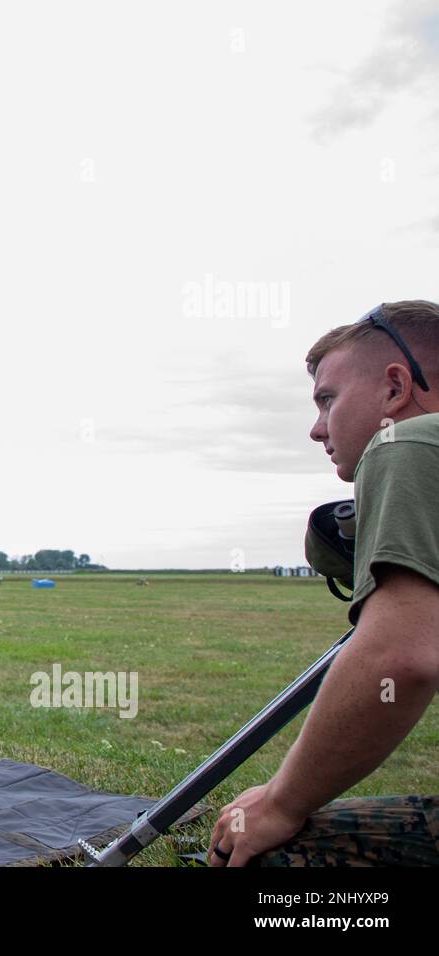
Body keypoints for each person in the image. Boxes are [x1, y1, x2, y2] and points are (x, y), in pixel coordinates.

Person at [210, 300, 439, 866]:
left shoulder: (404, 444)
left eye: (327, 399)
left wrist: (282, 804)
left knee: (265, 857)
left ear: (394, 388)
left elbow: (400, 660)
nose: (317, 429)